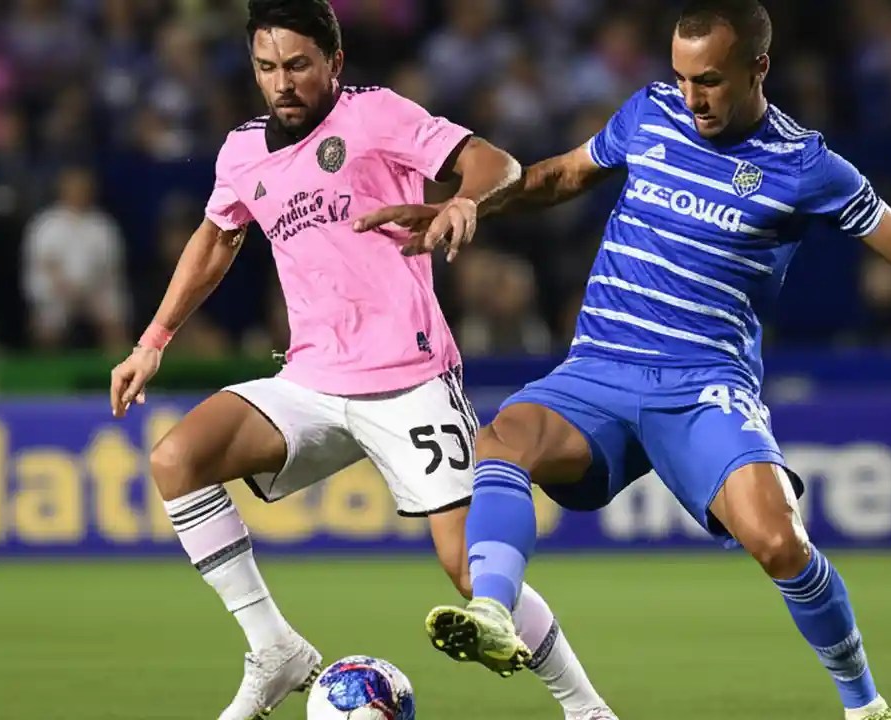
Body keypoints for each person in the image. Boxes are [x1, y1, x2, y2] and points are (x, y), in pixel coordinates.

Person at [357, 2, 891, 719]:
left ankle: (865, 706)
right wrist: (466, 202)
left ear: (757, 67)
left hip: (704, 386)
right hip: (600, 367)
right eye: (680, 76)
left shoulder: (804, 164)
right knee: (503, 440)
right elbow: (559, 177)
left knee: (777, 542)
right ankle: (492, 611)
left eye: (709, 80)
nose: (691, 96)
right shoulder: (650, 114)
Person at [108, 2, 615, 720]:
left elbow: (494, 164)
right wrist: (151, 343)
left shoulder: (377, 115)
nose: (281, 82)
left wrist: (467, 201)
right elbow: (217, 240)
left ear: (334, 63)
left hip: (409, 379)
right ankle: (276, 649)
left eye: (297, 65)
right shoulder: (241, 150)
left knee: (468, 566)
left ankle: (588, 709)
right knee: (176, 460)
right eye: (265, 67)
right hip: (311, 380)